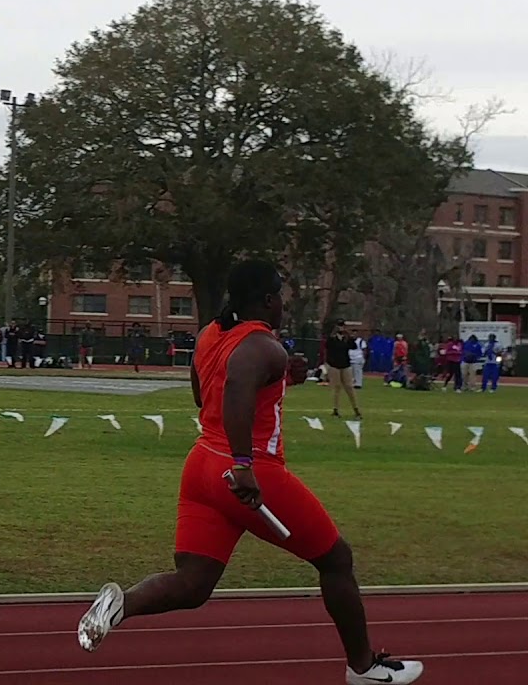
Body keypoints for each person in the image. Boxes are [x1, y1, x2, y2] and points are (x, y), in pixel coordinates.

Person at [77, 260, 423, 685]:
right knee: (336, 559)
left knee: (193, 583)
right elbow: (238, 387)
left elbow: (205, 395)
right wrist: (243, 463)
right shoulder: (262, 345)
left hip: (201, 465)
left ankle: (120, 604)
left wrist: (277, 378)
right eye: (280, 296)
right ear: (267, 300)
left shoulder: (211, 334)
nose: (284, 304)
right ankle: (364, 667)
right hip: (247, 470)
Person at [324, 320, 362, 419]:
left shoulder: (346, 338)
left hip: (345, 364)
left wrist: (351, 337)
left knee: (349, 387)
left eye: (342, 326)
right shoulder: (332, 339)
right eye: (339, 326)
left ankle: (356, 409)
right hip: (334, 365)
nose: (341, 328)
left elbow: (353, 346)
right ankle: (335, 409)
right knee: (337, 387)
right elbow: (328, 348)